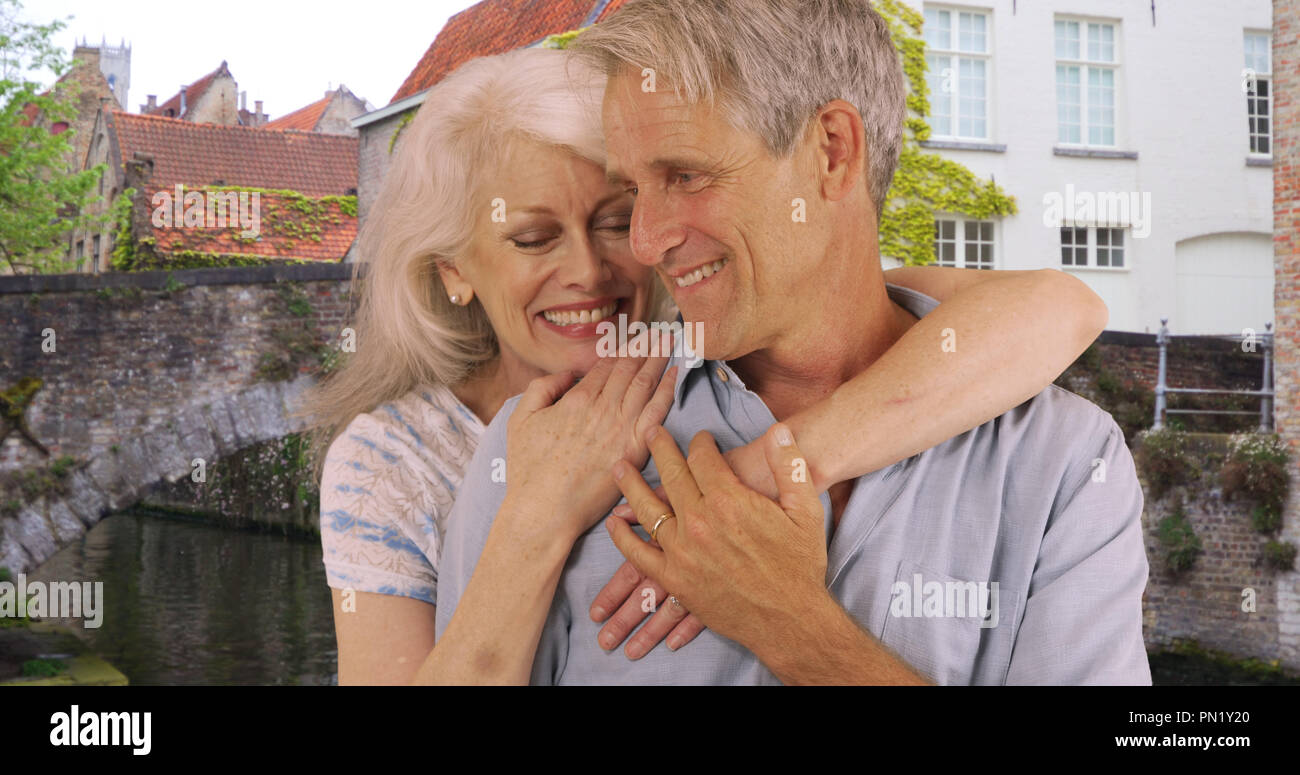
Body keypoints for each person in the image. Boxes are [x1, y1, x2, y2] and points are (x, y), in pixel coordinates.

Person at [302, 42, 1107, 685]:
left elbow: (1057, 308)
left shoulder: (1059, 454)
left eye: (620, 214)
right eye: (533, 237)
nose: (603, 264)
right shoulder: (427, 459)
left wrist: (769, 475)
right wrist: (534, 519)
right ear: (454, 270)